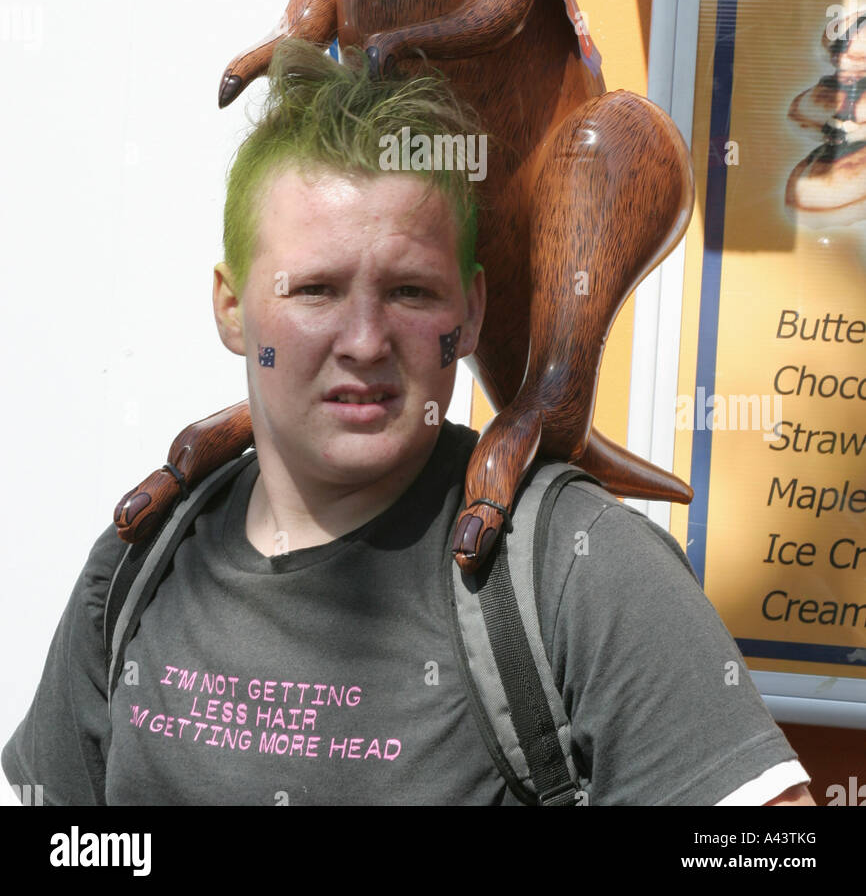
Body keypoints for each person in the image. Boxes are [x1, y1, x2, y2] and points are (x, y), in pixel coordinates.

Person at [3, 42, 814, 806]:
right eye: (314, 291)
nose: (364, 342)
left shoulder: (576, 567)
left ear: (471, 310)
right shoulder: (141, 562)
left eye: (411, 292)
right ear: (231, 308)